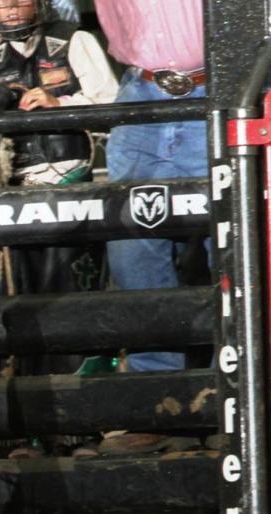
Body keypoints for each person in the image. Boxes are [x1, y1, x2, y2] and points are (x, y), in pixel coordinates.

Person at [0, 0, 118, 384]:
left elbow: (114, 106)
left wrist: (61, 104)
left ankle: (88, 410)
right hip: (8, 195)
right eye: (1, 0)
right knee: (15, 299)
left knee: (74, 292)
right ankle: (29, 424)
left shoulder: (73, 40)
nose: (12, 6)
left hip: (71, 182)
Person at [96, 0, 205, 376]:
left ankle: (245, 382)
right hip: (140, 89)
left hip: (224, 85)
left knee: (236, 237)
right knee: (133, 241)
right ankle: (157, 392)